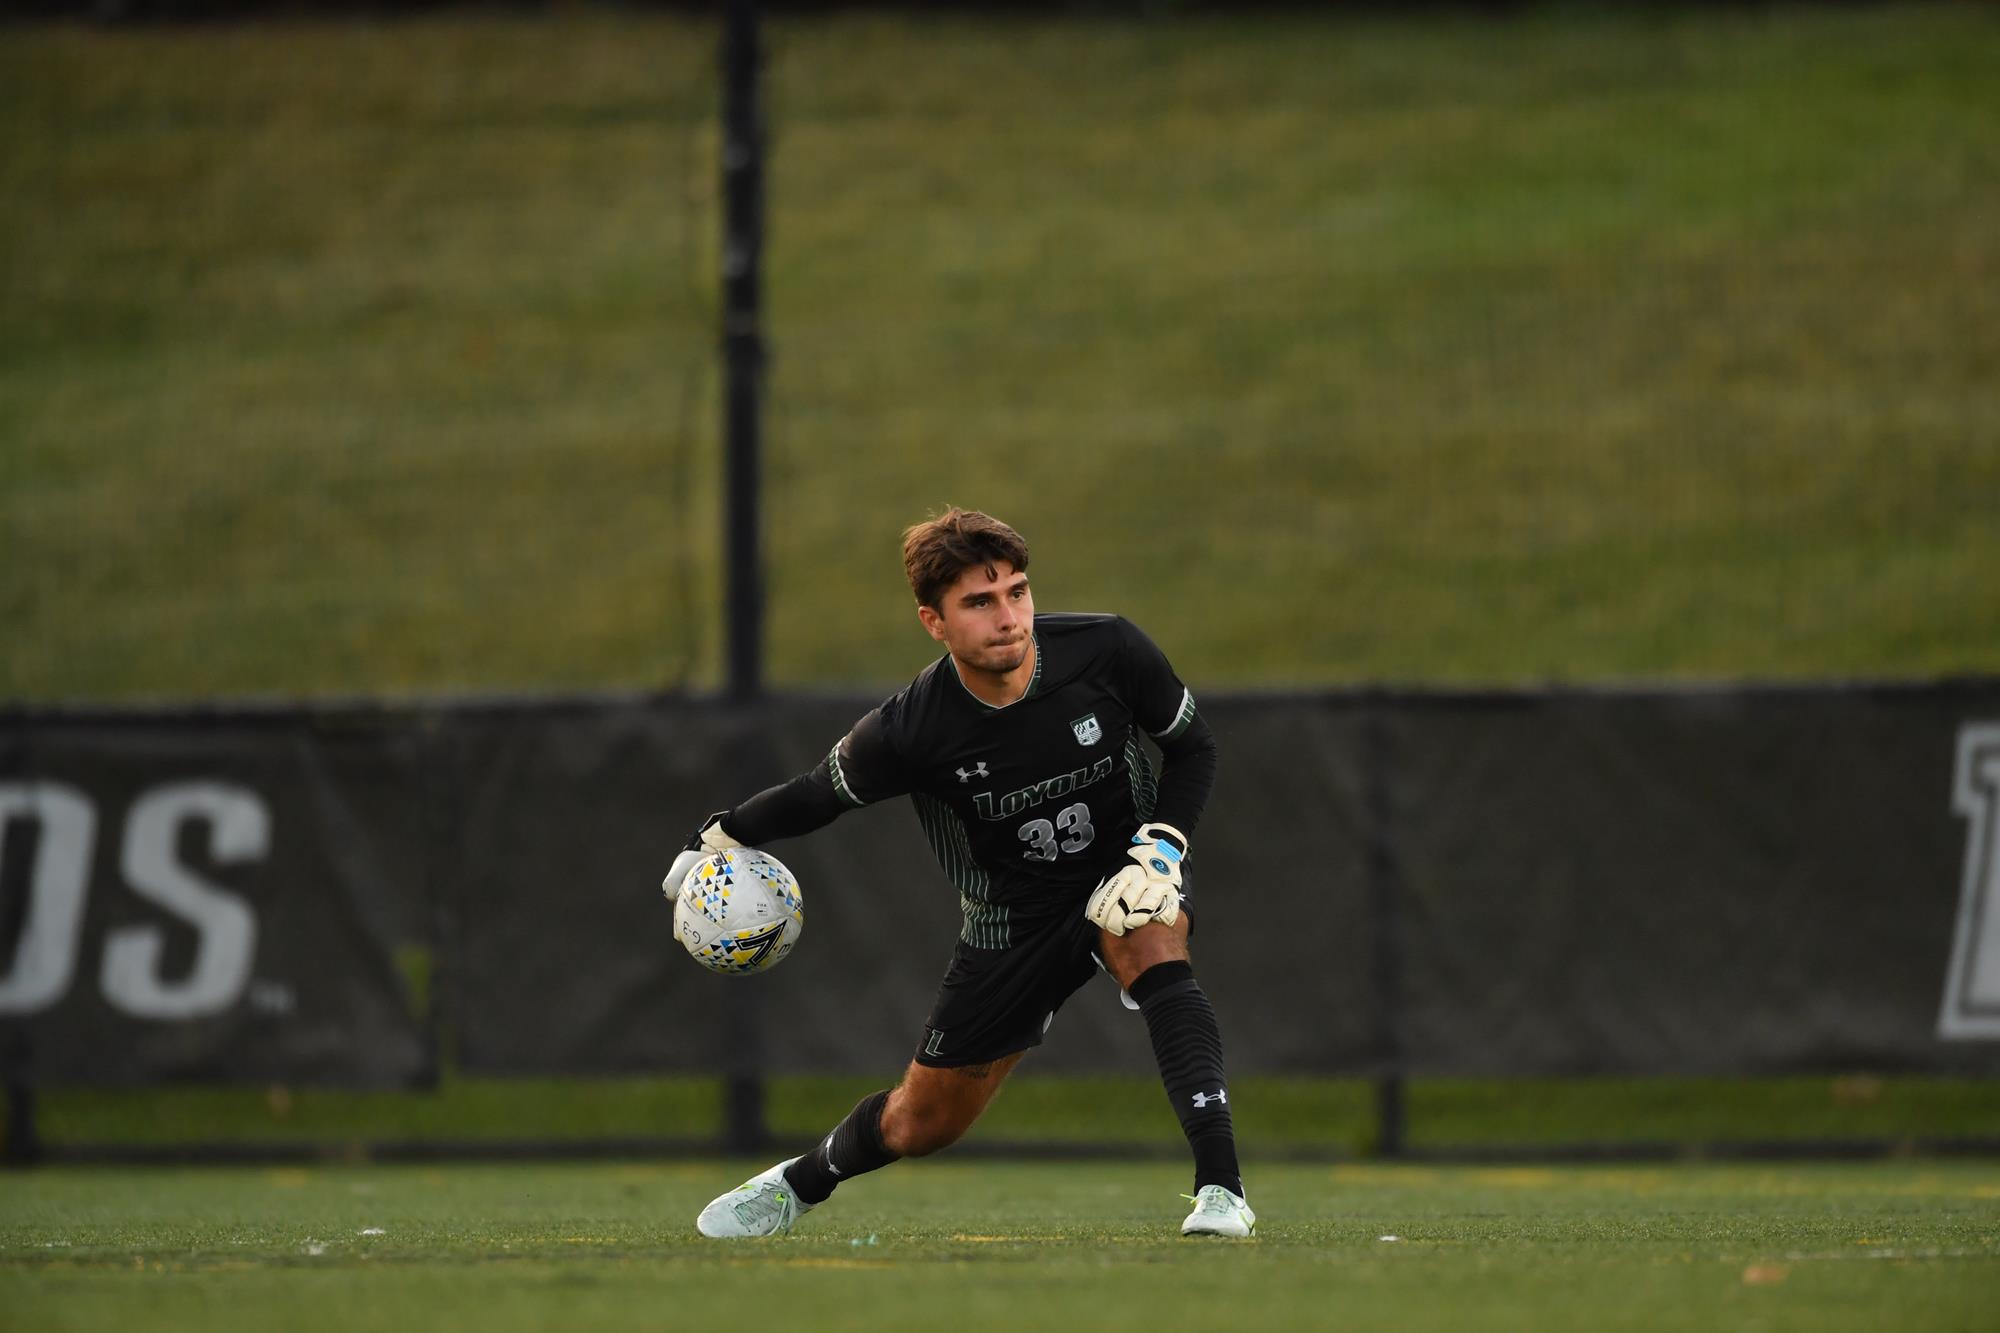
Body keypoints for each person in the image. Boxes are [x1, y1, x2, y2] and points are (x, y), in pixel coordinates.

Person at [662, 507, 1251, 1238]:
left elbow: (1194, 748)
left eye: (1017, 592)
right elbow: (815, 796)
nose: (1008, 617)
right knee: (921, 1123)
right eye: (979, 601)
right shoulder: (910, 728)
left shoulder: (1107, 649)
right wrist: (716, 835)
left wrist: (1160, 852)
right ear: (933, 621)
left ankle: (1222, 1189)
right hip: (1009, 923)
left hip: (1125, 873)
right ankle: (801, 1181)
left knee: (1149, 936)